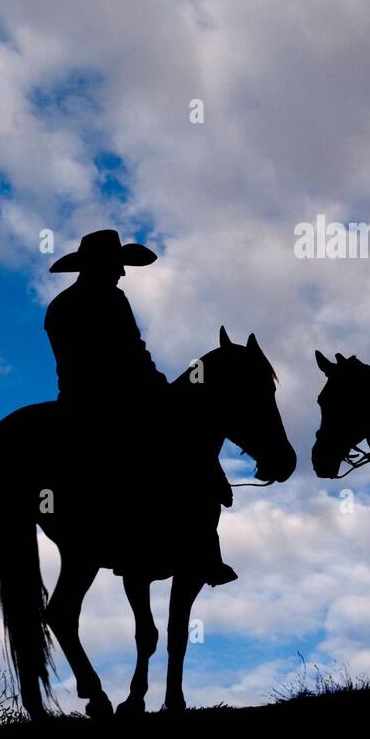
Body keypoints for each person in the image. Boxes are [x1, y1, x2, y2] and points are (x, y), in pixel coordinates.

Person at [45, 229, 236, 584]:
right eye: (117, 266)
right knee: (186, 445)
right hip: (116, 399)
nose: (122, 273)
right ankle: (204, 552)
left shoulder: (59, 306)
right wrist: (158, 387)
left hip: (75, 399)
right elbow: (133, 353)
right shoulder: (111, 300)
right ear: (100, 265)